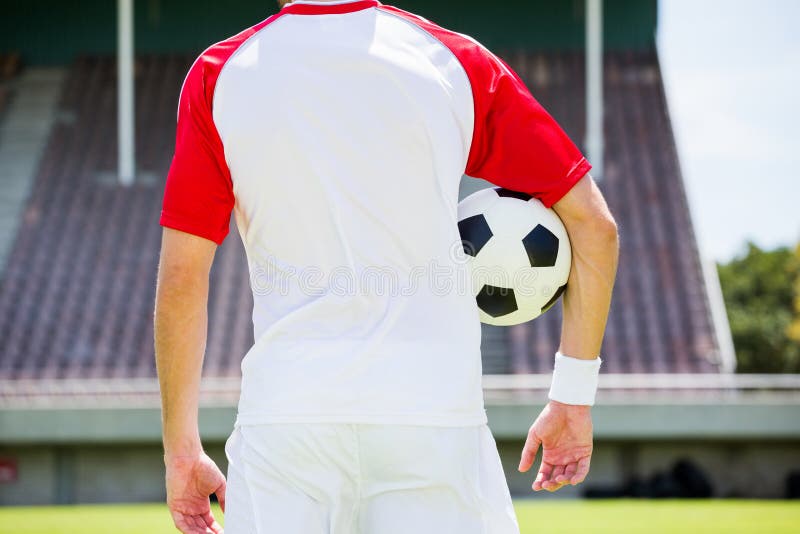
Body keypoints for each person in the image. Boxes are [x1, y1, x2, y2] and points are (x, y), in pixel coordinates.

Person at [154, 1, 619, 533]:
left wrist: (181, 452)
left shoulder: (221, 75)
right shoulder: (455, 62)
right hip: (432, 418)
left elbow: (182, 277)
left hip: (288, 421)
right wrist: (572, 398)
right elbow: (595, 227)